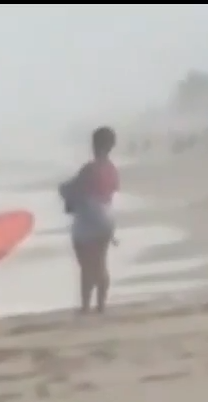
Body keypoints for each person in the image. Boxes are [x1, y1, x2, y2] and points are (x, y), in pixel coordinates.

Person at [60, 126, 120, 314]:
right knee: (100, 262)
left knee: (86, 265)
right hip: (107, 217)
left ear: (94, 144)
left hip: (88, 218)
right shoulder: (112, 170)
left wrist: (63, 190)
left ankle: (86, 306)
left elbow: (75, 189)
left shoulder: (89, 168)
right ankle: (101, 305)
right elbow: (110, 191)